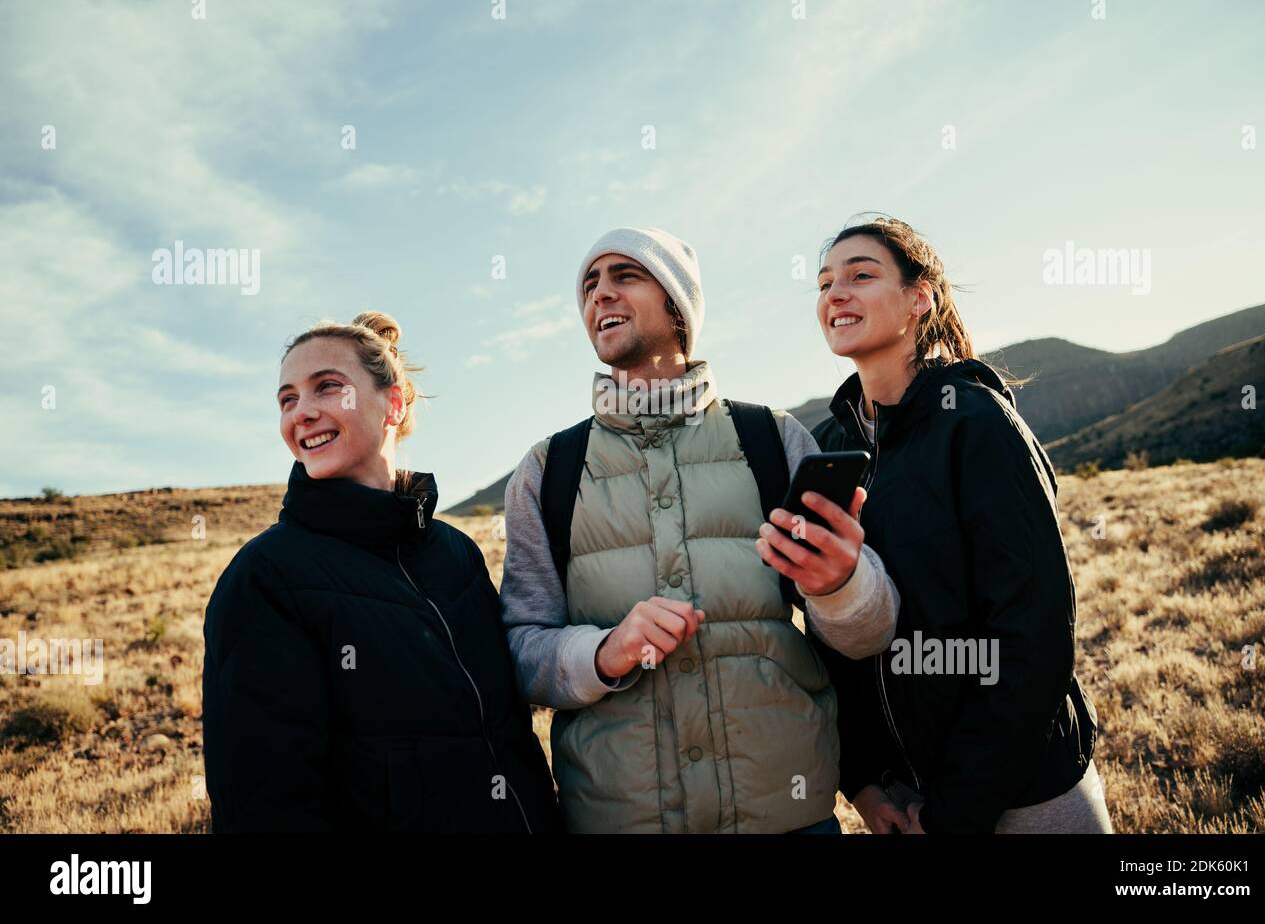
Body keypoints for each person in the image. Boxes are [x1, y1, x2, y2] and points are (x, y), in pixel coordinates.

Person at [500, 226, 901, 833]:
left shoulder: (774, 439)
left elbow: (867, 635)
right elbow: (520, 653)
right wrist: (603, 652)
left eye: (624, 275)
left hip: (787, 815)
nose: (599, 294)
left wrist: (842, 585)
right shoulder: (545, 472)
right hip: (621, 820)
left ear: (677, 303)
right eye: (589, 284)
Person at [809, 215, 1112, 834]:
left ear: (919, 298)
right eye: (823, 283)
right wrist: (863, 780)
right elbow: (827, 636)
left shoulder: (975, 421)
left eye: (860, 275)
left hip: (1022, 794)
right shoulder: (829, 447)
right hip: (903, 799)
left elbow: (1034, 630)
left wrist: (959, 807)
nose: (835, 293)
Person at [202, 311, 561, 833]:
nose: (301, 413)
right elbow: (262, 802)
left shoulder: (456, 555)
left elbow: (509, 733)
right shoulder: (266, 576)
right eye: (287, 399)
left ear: (392, 403)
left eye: (327, 387)